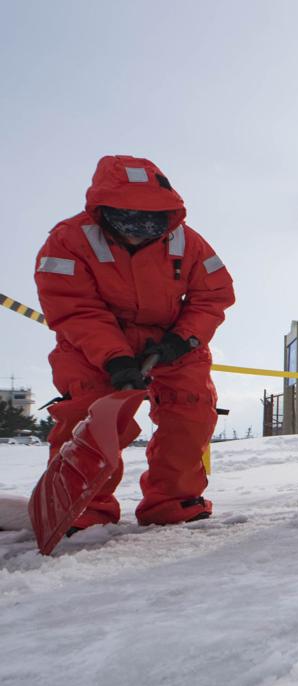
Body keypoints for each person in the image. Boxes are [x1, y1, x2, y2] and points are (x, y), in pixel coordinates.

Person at [34, 154, 235, 530]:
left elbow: (214, 294)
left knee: (190, 411)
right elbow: (75, 309)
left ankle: (174, 503)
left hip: (172, 337)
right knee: (87, 412)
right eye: (126, 219)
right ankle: (83, 508)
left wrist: (181, 340)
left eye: (150, 220)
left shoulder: (188, 243)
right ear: (103, 211)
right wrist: (115, 359)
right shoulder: (67, 242)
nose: (138, 230)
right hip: (93, 342)